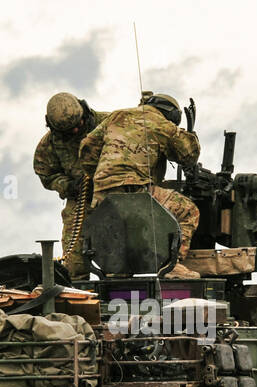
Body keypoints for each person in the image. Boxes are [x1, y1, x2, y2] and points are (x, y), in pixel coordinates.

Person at [77, 92, 202, 278]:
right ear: (172, 114)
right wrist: (190, 135)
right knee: (187, 210)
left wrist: (101, 176)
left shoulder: (117, 116)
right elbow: (189, 155)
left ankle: (116, 273)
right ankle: (172, 266)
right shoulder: (163, 124)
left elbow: (86, 149)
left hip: (102, 194)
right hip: (135, 192)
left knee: (121, 228)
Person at [33, 92, 107, 277]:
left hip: (114, 198)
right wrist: (69, 186)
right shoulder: (49, 144)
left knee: (116, 255)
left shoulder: (109, 124)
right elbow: (47, 175)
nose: (75, 132)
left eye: (78, 126)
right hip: (80, 201)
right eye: (68, 131)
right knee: (73, 263)